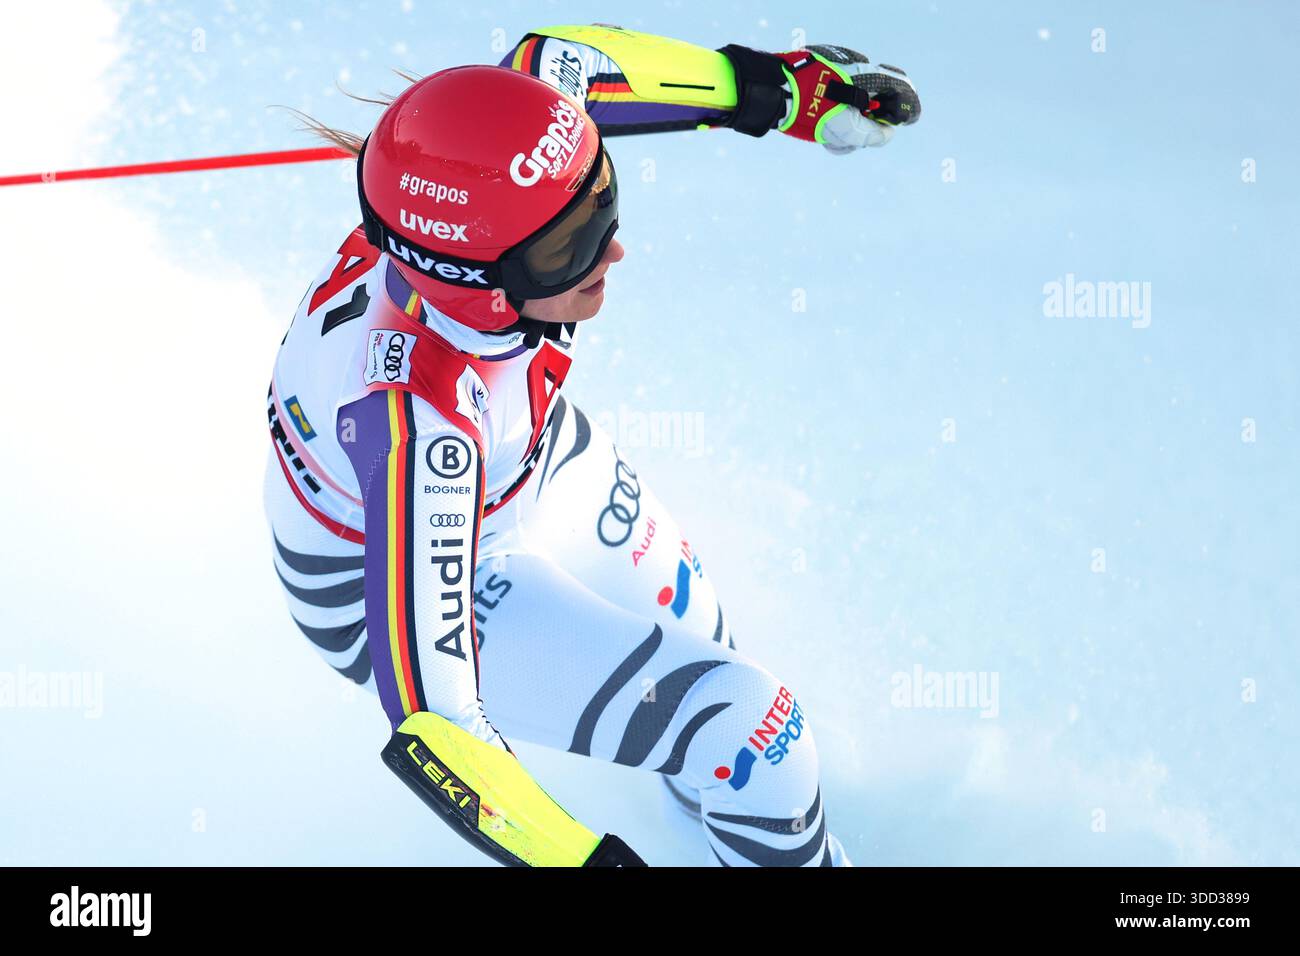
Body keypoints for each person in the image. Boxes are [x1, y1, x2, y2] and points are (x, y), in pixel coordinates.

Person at [263, 23, 921, 867]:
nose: (614, 249)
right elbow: (439, 730)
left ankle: (731, 826)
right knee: (759, 736)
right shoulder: (413, 426)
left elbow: (562, 66)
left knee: (713, 653)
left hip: (524, 461)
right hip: (399, 581)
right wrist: (581, 859)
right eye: (567, 247)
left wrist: (772, 90)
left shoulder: (499, 186)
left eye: (601, 199)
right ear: (474, 280)